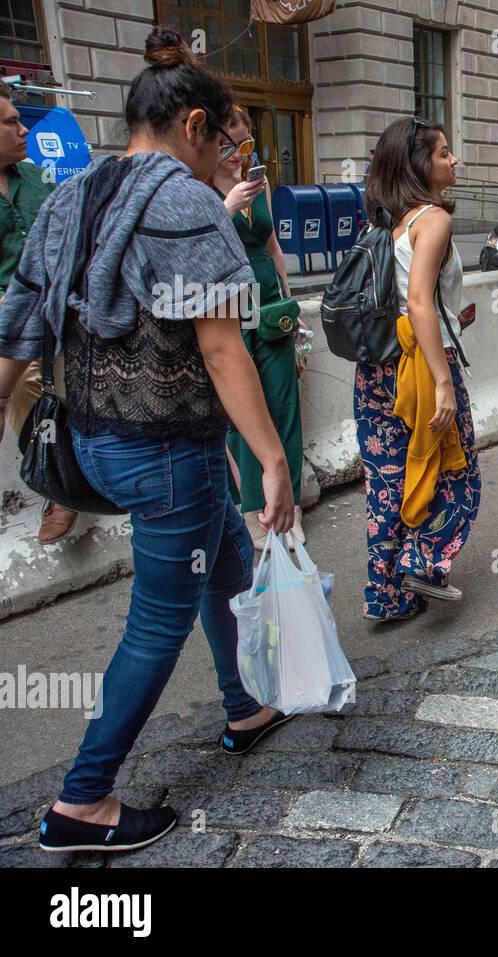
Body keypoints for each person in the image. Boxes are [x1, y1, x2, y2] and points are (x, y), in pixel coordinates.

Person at [0, 27, 296, 853]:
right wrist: (272, 459)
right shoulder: (184, 201)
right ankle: (83, 799)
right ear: (194, 123)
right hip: (166, 449)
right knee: (157, 622)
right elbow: (220, 343)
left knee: (222, 556)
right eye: (227, 139)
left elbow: (18, 329)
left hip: (87, 445)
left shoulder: (69, 195)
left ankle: (245, 704)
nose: (226, 159)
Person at [357, 117, 480, 621]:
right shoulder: (434, 219)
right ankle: (423, 562)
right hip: (423, 367)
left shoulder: (384, 221)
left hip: (376, 367)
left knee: (387, 480)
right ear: (420, 164)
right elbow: (419, 303)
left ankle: (386, 598)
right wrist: (445, 382)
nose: (453, 160)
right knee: (457, 472)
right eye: (445, 152)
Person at [212, 105, 306, 550]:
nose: (239, 156)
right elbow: (201, 253)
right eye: (230, 146)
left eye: (247, 145)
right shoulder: (200, 191)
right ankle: (255, 509)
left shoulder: (259, 182)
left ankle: (291, 506)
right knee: (244, 411)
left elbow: (272, 247)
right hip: (228, 306)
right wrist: (227, 207)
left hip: (269, 302)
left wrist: (291, 302)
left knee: (283, 402)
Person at [0, 83, 78, 545]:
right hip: (7, 319)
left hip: (53, 308)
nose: (23, 128)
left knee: (71, 384)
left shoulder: (37, 178)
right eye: (12, 122)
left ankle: (69, 483)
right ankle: (55, 487)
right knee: (24, 383)